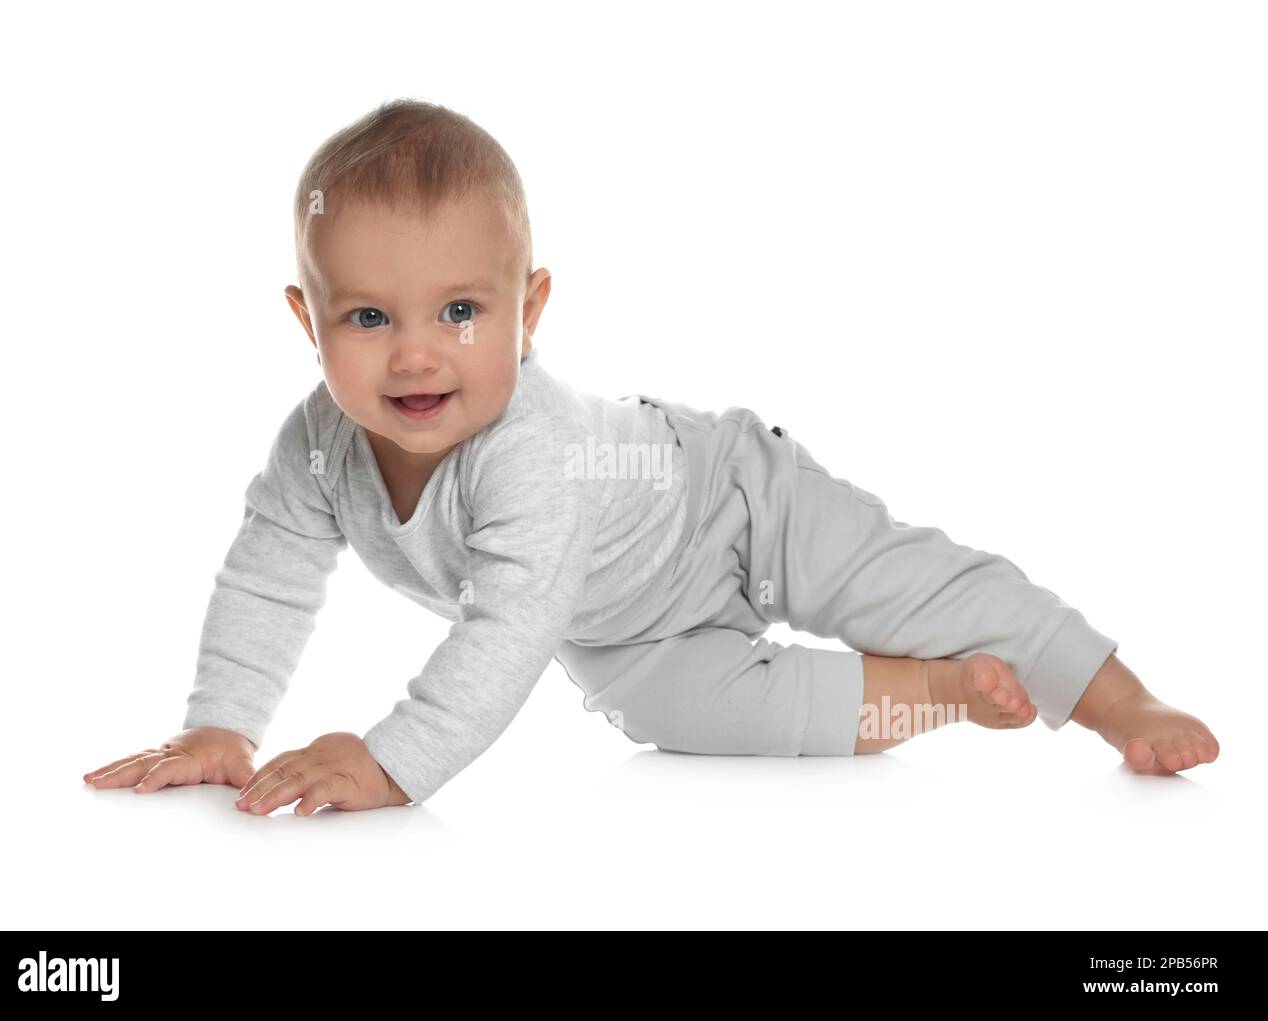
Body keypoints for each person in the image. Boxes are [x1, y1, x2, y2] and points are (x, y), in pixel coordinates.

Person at [83, 99, 1219, 813]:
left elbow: (505, 628)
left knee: (914, 582)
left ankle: (1119, 699)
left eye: (463, 310)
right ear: (306, 320)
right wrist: (223, 722)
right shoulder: (316, 448)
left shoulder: (532, 449)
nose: (416, 353)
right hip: (619, 631)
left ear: (531, 308)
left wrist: (391, 760)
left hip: (730, 501)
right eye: (369, 318)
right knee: (713, 724)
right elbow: (268, 572)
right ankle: (938, 699)